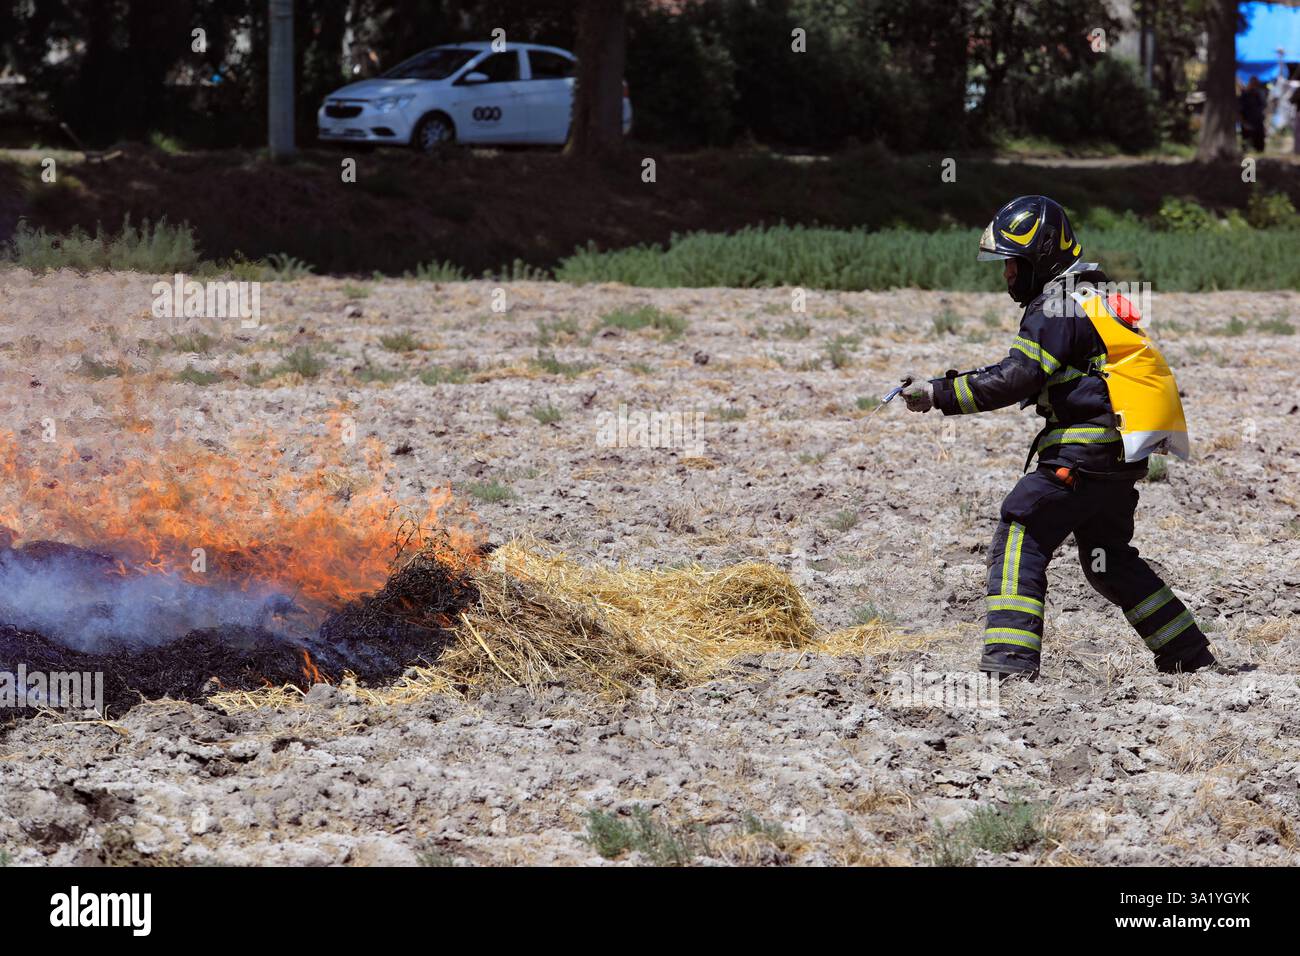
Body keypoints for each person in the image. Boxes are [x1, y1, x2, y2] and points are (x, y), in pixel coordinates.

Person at [899, 196, 1216, 680]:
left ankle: (1008, 667)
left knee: (1020, 533)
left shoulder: (1054, 304)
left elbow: (1018, 377)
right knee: (1107, 560)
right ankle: (1188, 656)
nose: (1007, 275)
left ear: (1042, 254)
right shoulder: (1092, 294)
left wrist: (939, 393)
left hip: (1081, 455)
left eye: (1013, 264)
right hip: (1118, 456)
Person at [1240, 76, 1266, 153]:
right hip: (1247, 119)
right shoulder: (1245, 94)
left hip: (1257, 120)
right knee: (1247, 138)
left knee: (1258, 140)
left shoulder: (1259, 93)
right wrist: (1243, 121)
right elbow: (1241, 108)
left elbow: (1263, 105)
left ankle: (1258, 149)